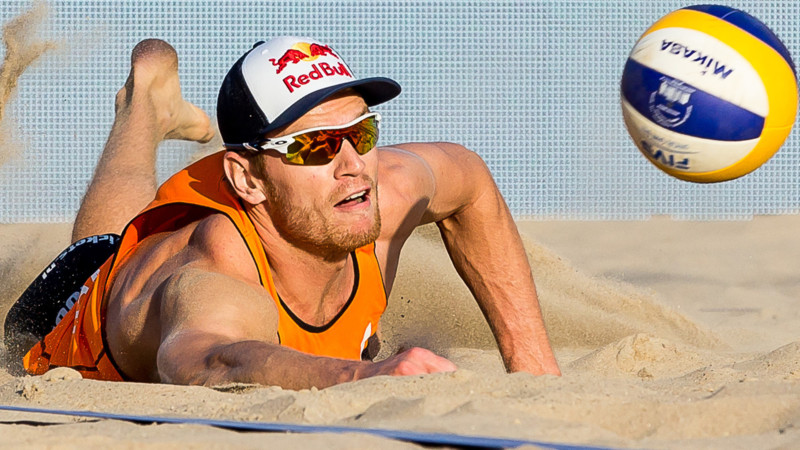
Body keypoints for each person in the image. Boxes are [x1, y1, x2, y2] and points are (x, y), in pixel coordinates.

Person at [13, 36, 560, 389]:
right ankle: (144, 100)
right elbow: (207, 359)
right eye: (314, 145)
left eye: (361, 131)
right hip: (85, 300)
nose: (352, 164)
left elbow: (469, 178)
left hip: (261, 202)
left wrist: (536, 371)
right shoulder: (217, 276)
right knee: (104, 241)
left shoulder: (374, 190)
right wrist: (366, 374)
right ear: (248, 177)